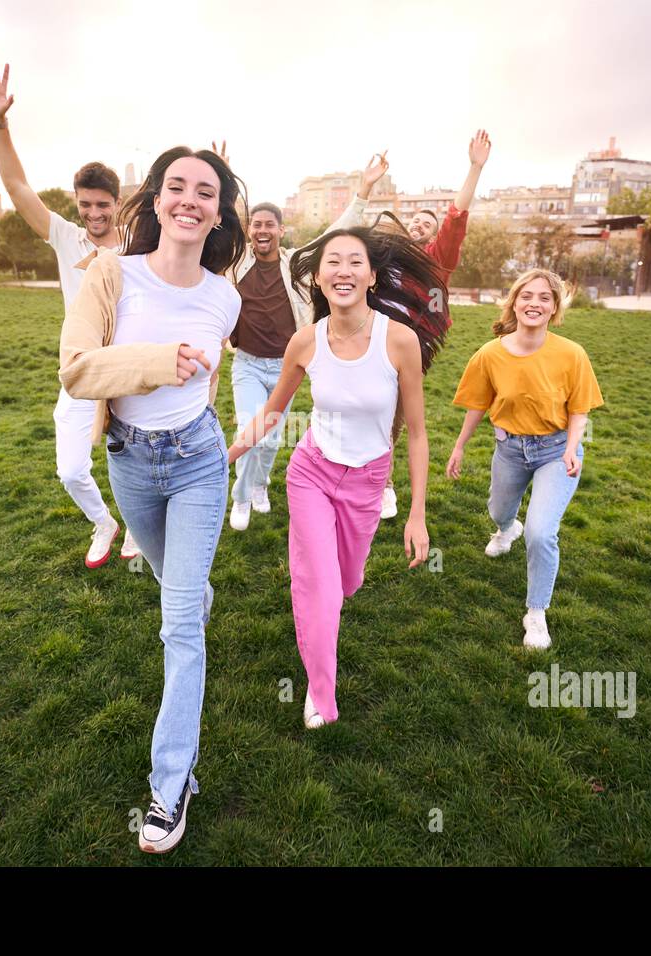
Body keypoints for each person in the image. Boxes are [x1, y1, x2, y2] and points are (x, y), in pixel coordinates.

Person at [59, 144, 245, 854]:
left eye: (206, 190)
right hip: (133, 466)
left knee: (178, 628)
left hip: (197, 462)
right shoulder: (111, 274)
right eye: (177, 186)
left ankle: (171, 787)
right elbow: (77, 372)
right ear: (156, 198)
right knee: (180, 590)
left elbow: (208, 380)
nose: (190, 199)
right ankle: (193, 592)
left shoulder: (223, 295)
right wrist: (156, 362)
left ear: (218, 209)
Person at [228, 226, 447, 728]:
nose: (343, 271)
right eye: (333, 262)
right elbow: (271, 412)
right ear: (319, 278)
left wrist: (416, 514)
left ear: (372, 276)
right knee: (318, 586)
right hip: (312, 473)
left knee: (347, 581)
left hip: (369, 481)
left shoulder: (400, 341)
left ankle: (336, 592)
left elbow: (416, 433)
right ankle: (321, 694)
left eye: (355, 262)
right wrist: (226, 456)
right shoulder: (305, 342)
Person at [0, 61, 138, 568]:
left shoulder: (138, 245)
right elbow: (17, 186)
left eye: (103, 205)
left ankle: (134, 524)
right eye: (86, 204)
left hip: (130, 367)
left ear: (117, 203)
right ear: (77, 202)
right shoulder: (65, 237)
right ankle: (104, 523)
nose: (94, 214)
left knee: (132, 465)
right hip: (81, 367)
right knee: (70, 470)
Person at [224, 153, 387, 531]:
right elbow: (223, 221)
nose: (262, 230)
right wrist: (224, 177)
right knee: (250, 429)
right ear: (250, 231)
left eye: (270, 225)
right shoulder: (235, 264)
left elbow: (336, 232)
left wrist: (363, 189)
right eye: (256, 225)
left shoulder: (296, 264)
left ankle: (261, 485)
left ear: (281, 231)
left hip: (287, 367)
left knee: (269, 441)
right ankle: (242, 496)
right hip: (247, 364)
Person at [446, 268, 603, 650]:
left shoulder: (571, 354)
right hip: (510, 449)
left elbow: (580, 408)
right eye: (526, 296)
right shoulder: (489, 354)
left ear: (554, 308)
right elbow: (478, 405)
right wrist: (460, 445)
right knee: (500, 510)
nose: (534, 303)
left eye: (544, 298)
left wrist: (571, 447)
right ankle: (505, 529)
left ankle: (536, 613)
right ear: (514, 302)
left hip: (555, 450)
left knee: (541, 532)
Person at [352, 131, 492, 521]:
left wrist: (475, 168)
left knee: (391, 419)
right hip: (365, 346)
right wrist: (366, 186)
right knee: (353, 413)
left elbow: (456, 219)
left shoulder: (436, 260)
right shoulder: (386, 257)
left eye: (427, 221)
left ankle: (385, 485)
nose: (419, 224)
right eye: (415, 219)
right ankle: (347, 477)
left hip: (404, 356)